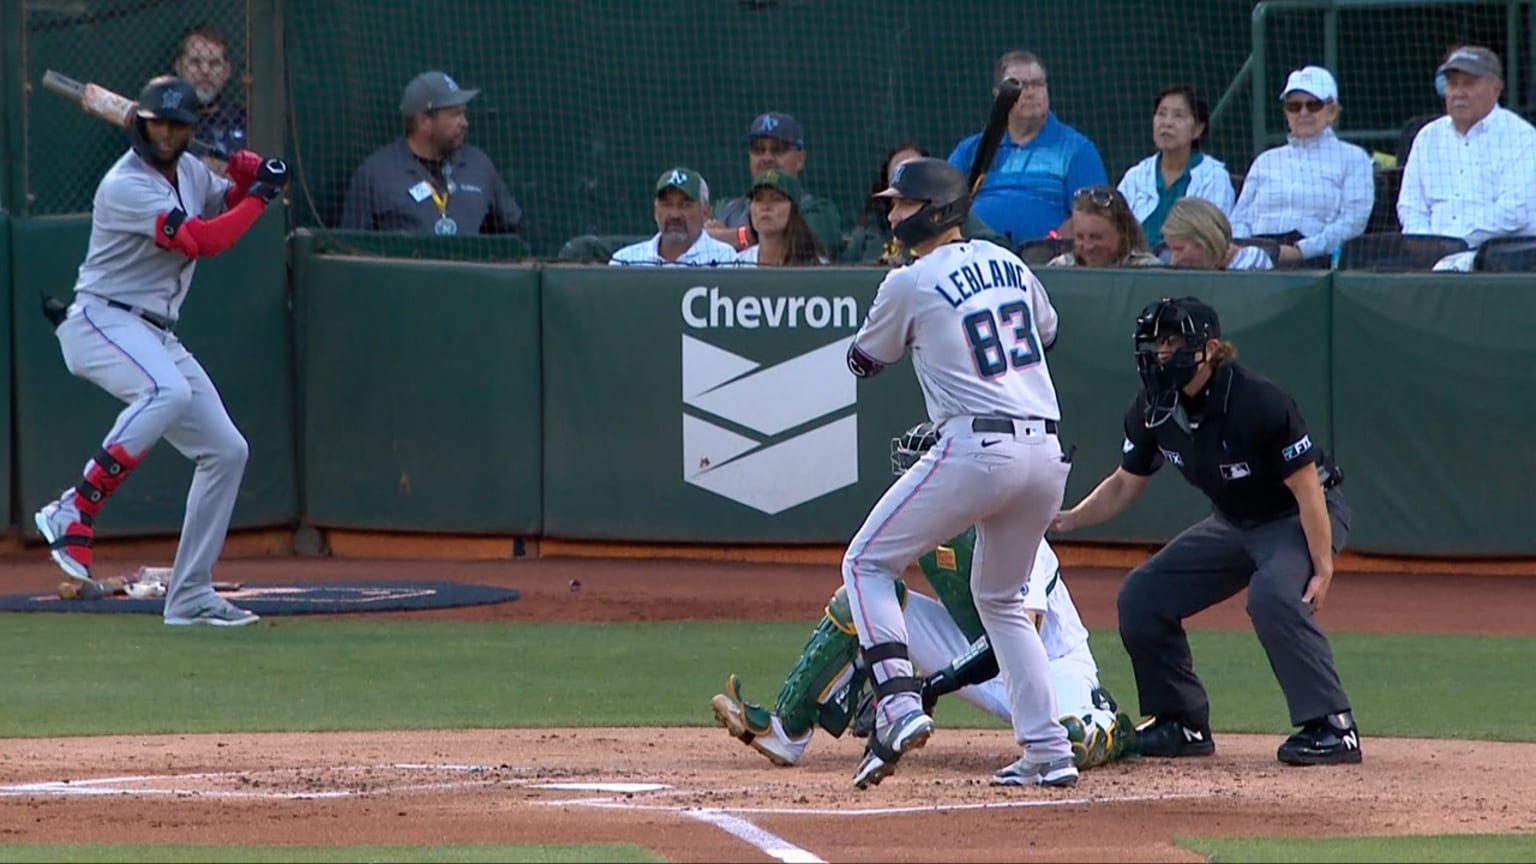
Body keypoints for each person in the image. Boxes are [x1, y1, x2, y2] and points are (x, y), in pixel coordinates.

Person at [711, 425, 1136, 775]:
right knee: (859, 600)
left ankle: (1104, 718)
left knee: (1076, 741)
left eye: (928, 465)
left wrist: (927, 685)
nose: (918, 475)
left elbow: (1017, 633)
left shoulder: (1014, 529)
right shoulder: (924, 528)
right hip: (978, 661)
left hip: (1048, 667)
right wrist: (889, 677)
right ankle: (787, 731)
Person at [841, 157, 1075, 790]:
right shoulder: (1015, 264)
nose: (891, 215)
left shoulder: (908, 282)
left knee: (865, 564)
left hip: (978, 448)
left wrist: (911, 299)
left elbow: (864, 361)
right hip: (1046, 456)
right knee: (999, 599)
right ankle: (1048, 748)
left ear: (934, 210)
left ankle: (895, 704)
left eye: (900, 205)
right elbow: (1045, 335)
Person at [1051, 296, 1362, 767]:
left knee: (1274, 596)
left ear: (1210, 349)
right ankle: (1180, 722)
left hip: (1297, 515)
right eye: (1155, 344)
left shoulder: (1258, 400)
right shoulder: (1153, 408)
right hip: (1234, 521)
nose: (1161, 354)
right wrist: (1070, 517)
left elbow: (1307, 490)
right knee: (1143, 595)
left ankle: (1334, 727)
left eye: (1173, 342)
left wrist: (1322, 566)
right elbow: (1123, 485)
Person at [31, 76, 288, 627]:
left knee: (226, 450)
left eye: (177, 125)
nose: (166, 133)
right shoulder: (126, 185)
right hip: (103, 319)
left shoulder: (193, 171)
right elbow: (204, 241)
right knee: (165, 391)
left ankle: (191, 592)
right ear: (141, 123)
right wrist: (263, 195)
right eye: (157, 123)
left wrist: (248, 177)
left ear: (191, 130)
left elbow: (228, 208)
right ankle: (74, 506)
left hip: (154, 332)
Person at [947, 50, 1108, 245]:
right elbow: (943, 208)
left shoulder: (1076, 149)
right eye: (1020, 85)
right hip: (975, 262)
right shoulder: (970, 151)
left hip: (1046, 263)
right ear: (998, 95)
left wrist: (1049, 243)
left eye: (1038, 84)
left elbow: (1093, 218)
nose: (1031, 92)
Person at [339, 70, 521, 236]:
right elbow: (352, 247)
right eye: (455, 115)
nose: (464, 123)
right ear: (424, 121)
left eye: (464, 114)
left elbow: (512, 228)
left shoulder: (479, 165)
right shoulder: (376, 173)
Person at [1228, 66, 1374, 266]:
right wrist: (1244, 248)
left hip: (1314, 259)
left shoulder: (1354, 158)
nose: (1303, 113)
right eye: (1294, 106)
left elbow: (1352, 222)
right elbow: (1240, 217)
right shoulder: (1265, 160)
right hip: (1253, 254)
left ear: (1331, 111)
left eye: (1313, 105)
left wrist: (1301, 251)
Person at [1397, 46, 1536, 247]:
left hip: (1498, 260)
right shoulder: (1428, 137)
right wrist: (1425, 244)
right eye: (1452, 84)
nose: (1458, 93)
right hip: (1431, 261)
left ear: (1496, 88)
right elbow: (1411, 207)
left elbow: (1514, 212)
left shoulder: (1521, 137)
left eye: (1469, 84)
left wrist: (1452, 242)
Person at [841, 143, 1007, 265]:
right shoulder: (873, 223)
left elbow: (997, 247)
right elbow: (843, 268)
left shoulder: (952, 215)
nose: (894, 216)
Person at [706, 112, 844, 256]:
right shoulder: (725, 209)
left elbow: (794, 244)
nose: (767, 157)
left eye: (778, 149)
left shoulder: (820, 211)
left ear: (800, 159)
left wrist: (735, 237)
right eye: (758, 150)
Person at [1116, 85, 1235, 247]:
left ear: (1198, 129)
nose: (1167, 123)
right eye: (1161, 114)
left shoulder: (1214, 177)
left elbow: (1213, 240)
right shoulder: (1136, 176)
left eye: (1178, 116)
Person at [610, 167, 737, 266]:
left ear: (705, 212)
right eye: (667, 205)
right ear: (655, 211)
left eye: (685, 205)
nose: (675, 214)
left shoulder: (725, 259)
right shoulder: (626, 261)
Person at [172, 24, 246, 170]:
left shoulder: (245, 121)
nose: (205, 71)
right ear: (179, 67)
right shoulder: (162, 122)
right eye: (195, 62)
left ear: (227, 71)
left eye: (214, 63)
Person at [1046, 186, 1163, 267]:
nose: (1087, 247)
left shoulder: (1150, 272)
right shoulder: (1060, 269)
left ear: (1123, 232)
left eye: (1096, 237)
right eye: (1080, 237)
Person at [735, 170, 827, 266]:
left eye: (777, 199)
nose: (765, 206)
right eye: (758, 199)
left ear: (793, 210)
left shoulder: (816, 267)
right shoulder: (737, 264)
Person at [1161, 198, 1274, 270]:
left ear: (1206, 241)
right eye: (1171, 250)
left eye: (1179, 249)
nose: (1173, 260)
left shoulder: (1250, 259)